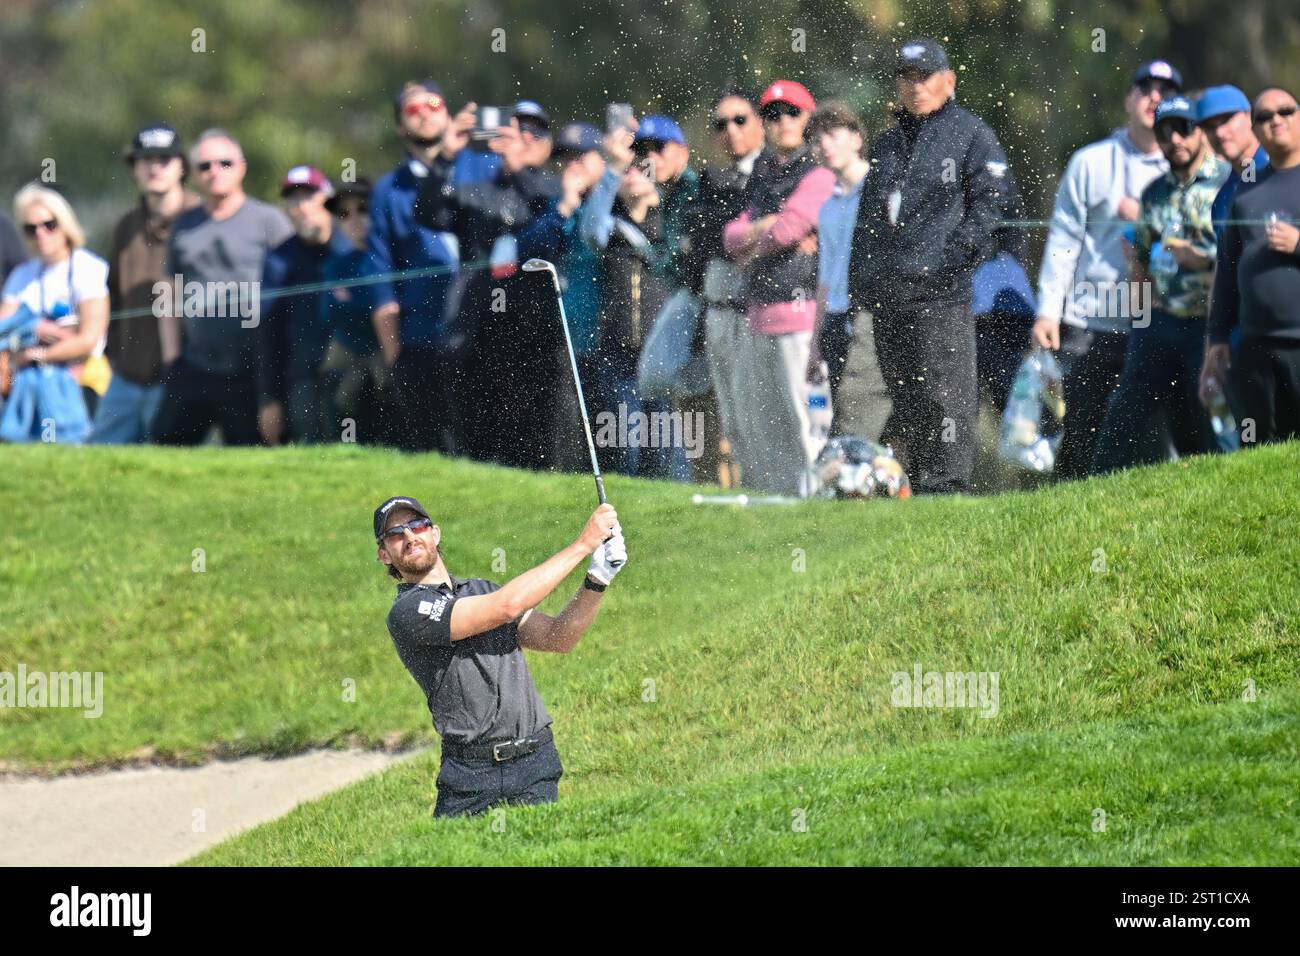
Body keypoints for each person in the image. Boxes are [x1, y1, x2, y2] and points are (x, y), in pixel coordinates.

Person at [376, 495, 626, 818]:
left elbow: (558, 637)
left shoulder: (482, 589)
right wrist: (582, 545)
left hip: (534, 764)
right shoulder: (407, 611)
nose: (410, 536)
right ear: (384, 554)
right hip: (471, 775)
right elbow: (505, 606)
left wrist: (598, 579)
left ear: (434, 533)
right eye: (396, 534)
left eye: (417, 525)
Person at [848, 38, 1010, 495]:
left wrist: (948, 263)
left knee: (946, 399)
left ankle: (948, 490)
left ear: (949, 81)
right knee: (905, 398)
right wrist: (864, 279)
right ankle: (913, 488)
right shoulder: (887, 142)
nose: (915, 86)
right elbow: (869, 221)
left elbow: (991, 207)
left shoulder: (973, 134)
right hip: (889, 298)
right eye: (907, 77)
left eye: (925, 76)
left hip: (941, 296)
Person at [1030, 60, 1181, 479]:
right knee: (1079, 434)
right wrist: (1048, 309)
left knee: (1152, 439)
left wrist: (1146, 218)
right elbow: (1063, 239)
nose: (1155, 97)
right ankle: (1070, 522)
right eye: (1146, 88)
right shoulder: (1090, 162)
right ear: (1128, 99)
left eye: (1167, 92)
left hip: (1155, 319)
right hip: (1088, 319)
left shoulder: (1184, 167)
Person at [1092, 97, 1229, 474]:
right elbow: (1139, 259)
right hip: (1159, 319)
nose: (1175, 140)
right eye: (1165, 132)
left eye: (1183, 129)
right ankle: (1099, 484)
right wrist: (1140, 319)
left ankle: (1212, 485)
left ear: (1200, 131)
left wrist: (1200, 258)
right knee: (1127, 405)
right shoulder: (1154, 192)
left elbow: (1236, 258)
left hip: (1207, 322)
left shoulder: (1228, 183)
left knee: (1198, 414)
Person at [723, 80, 835, 494]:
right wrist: (762, 230)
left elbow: (789, 228)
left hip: (802, 315)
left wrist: (760, 236)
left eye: (792, 113)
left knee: (803, 421)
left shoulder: (820, 170)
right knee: (764, 420)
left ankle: (813, 503)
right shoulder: (762, 174)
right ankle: (776, 506)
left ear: (808, 118)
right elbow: (731, 238)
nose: (783, 121)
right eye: (772, 115)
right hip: (758, 315)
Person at [151, 129, 293, 445]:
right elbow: (168, 291)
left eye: (224, 163)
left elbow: (291, 296)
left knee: (251, 465)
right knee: (162, 452)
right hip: (195, 364)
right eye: (205, 166)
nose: (215, 172)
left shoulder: (270, 222)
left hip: (252, 371)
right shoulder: (184, 225)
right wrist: (173, 357)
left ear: (241, 167)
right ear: (195, 175)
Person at [367, 80, 466, 453]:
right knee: (434, 452)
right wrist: (396, 356)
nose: (424, 113)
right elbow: (380, 278)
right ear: (399, 127)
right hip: (423, 340)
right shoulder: (388, 191)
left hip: (482, 333)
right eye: (412, 110)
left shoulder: (483, 169)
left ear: (448, 114)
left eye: (433, 104)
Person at [90, 124, 200, 444]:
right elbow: (113, 296)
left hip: (182, 378)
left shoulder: (202, 219)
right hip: (125, 379)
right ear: (134, 168)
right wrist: (111, 355)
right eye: (145, 159)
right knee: (99, 468)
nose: (154, 167)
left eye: (164, 159)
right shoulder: (126, 226)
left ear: (182, 167)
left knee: (169, 476)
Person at [1204, 86, 1300, 445]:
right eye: (1265, 116)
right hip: (1254, 350)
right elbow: (1227, 272)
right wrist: (1216, 338)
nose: (1275, 120)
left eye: (1285, 111)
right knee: (1259, 455)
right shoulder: (1242, 193)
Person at [692, 89, 766, 486]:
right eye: (721, 124)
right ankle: (745, 493)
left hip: (758, 311)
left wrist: (730, 230)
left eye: (740, 120)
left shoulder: (774, 171)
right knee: (731, 413)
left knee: (760, 410)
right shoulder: (712, 179)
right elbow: (702, 241)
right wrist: (739, 231)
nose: (731, 131)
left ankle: (764, 488)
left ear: (758, 122)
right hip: (719, 308)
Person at [804, 100, 890, 441]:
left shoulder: (879, 190)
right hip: (837, 319)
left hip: (869, 315)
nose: (823, 144)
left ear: (856, 139)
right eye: (816, 139)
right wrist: (814, 342)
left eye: (832, 134)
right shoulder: (828, 206)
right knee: (842, 408)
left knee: (861, 412)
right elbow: (825, 277)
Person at [0, 184, 110, 444]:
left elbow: (87, 340)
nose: (41, 234)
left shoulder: (88, 268)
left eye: (49, 225)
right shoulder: (22, 276)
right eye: (30, 229)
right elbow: (4, 323)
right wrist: (36, 329)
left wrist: (33, 354)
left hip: (82, 381)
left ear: (64, 224)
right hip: (27, 382)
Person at [257, 166, 357, 444]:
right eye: (294, 200)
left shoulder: (353, 245)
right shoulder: (279, 260)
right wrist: (269, 400)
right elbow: (268, 335)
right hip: (303, 379)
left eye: (310, 196)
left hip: (355, 371)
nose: (302, 206)